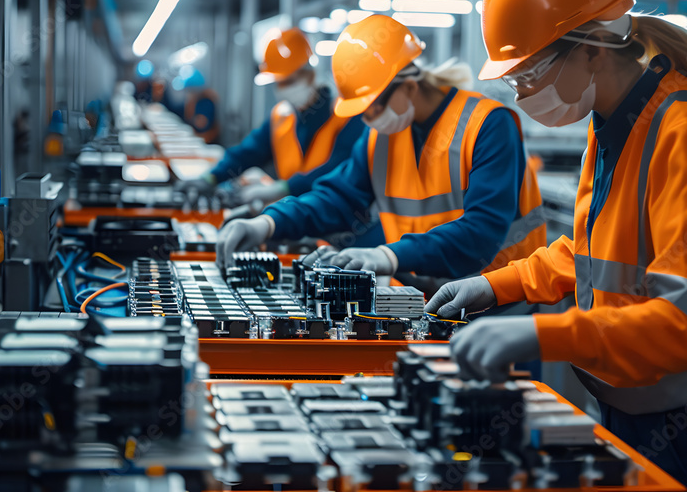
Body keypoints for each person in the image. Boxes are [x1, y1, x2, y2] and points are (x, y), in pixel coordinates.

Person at [423, 0, 687, 492]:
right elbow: (597, 255)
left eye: (531, 74)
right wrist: (492, 286)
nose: (523, 95)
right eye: (515, 80)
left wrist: (546, 336)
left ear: (594, 47)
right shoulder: (616, 123)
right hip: (639, 405)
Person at [216, 15, 546, 295]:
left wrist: (388, 256)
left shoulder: (488, 124)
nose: (369, 120)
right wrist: (268, 223)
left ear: (410, 85)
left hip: (495, 300)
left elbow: (481, 232)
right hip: (424, 297)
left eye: (374, 106)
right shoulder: (382, 136)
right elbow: (337, 198)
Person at [188, 27, 366, 208]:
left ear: (310, 73)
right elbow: (248, 153)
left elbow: (339, 168)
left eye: (289, 81)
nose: (283, 89)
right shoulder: (281, 116)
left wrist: (285, 188)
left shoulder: (345, 114)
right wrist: (212, 177)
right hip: (291, 217)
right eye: (278, 83)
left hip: (332, 217)